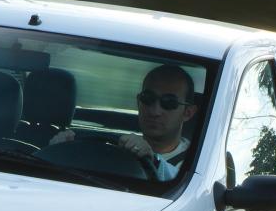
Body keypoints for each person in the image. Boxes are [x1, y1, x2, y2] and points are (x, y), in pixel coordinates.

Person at [51, 64, 198, 180]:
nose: (155, 111)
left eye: (169, 103)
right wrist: (60, 151)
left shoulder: (197, 161)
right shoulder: (115, 150)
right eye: (147, 99)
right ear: (138, 102)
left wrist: (154, 161)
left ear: (188, 113)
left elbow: (187, 189)